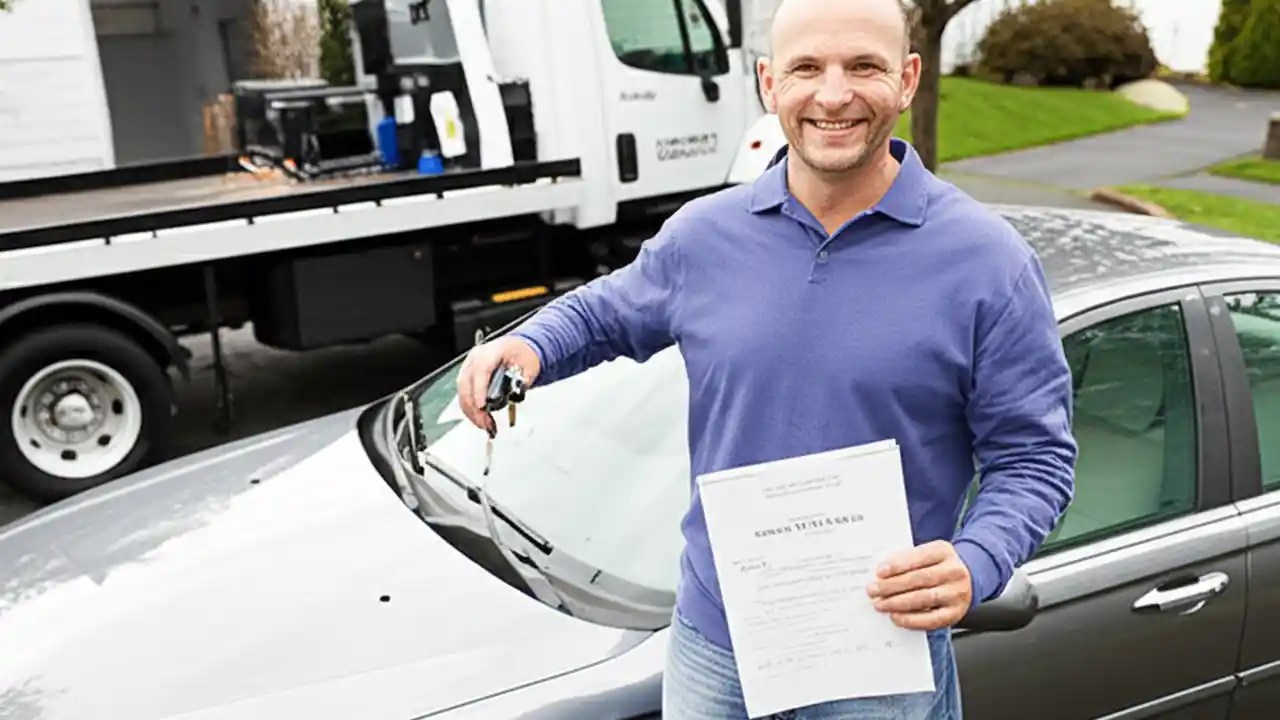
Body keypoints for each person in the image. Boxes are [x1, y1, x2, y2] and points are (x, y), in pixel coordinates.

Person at [455, 0, 1076, 716]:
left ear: (907, 80)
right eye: (806, 67)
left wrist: (978, 560)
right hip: (712, 650)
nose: (833, 94)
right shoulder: (704, 237)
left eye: (863, 67)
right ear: (768, 83)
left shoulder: (989, 264)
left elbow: (1034, 459)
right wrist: (530, 342)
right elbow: (604, 313)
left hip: (877, 665)